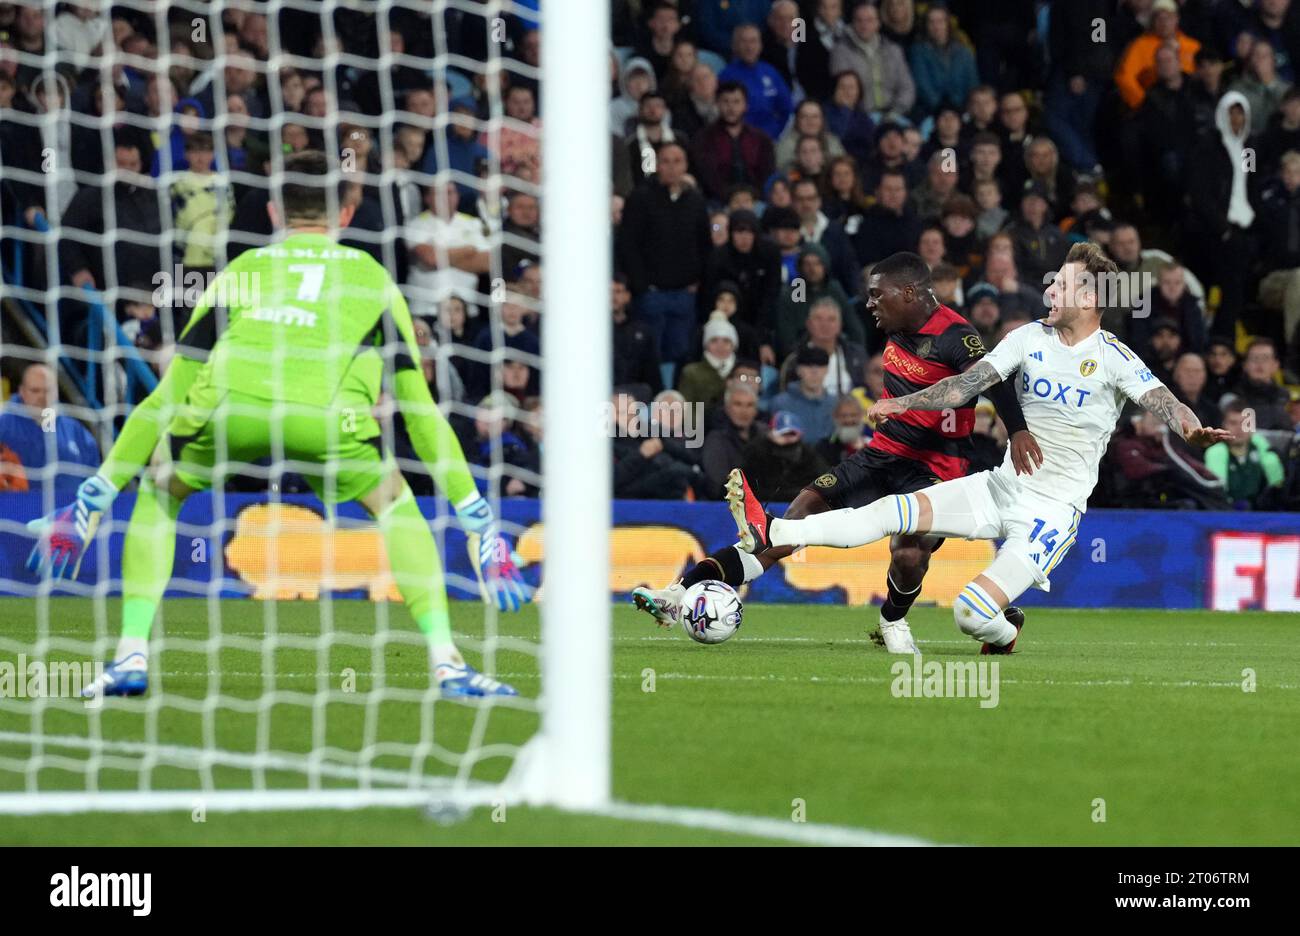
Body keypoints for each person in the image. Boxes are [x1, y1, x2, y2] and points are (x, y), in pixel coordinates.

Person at [26, 152, 527, 699]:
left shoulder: (242, 270)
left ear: (272, 213)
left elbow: (165, 397)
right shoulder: (373, 278)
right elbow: (420, 409)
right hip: (326, 417)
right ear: (346, 214)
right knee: (395, 501)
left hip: (228, 409)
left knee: (160, 489)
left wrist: (94, 496)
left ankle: (130, 655)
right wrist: (477, 517)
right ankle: (448, 662)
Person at [730, 242, 1228, 655]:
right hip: (1000, 486)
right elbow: (965, 385)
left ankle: (1006, 632)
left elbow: (1165, 401)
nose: (1049, 289)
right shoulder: (1027, 338)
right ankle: (772, 529)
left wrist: (1191, 428)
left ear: (1091, 296)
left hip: (1051, 514)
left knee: (971, 614)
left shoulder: (1114, 357)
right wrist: (905, 406)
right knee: (891, 513)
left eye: (1061, 283)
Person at [632, 252, 1037, 655]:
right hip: (880, 455)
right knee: (790, 522)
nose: (869, 304)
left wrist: (1017, 429)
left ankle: (893, 620)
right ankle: (678, 593)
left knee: (910, 552)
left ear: (910, 292)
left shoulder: (956, 335)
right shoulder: (898, 322)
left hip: (936, 468)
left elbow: (992, 380)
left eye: (878, 295)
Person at [0, 362, 100, 497]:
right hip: (15, 512)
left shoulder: (77, 433)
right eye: (35, 390)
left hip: (66, 515)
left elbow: (94, 481)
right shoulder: (4, 426)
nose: (42, 397)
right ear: (22, 391)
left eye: (47, 391)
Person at [1204, 400, 1285, 509]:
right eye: (1233, 423)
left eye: (1246, 423)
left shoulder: (1263, 449)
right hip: (1226, 515)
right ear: (1223, 425)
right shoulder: (1215, 453)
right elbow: (1215, 496)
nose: (1240, 429)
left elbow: (1278, 488)